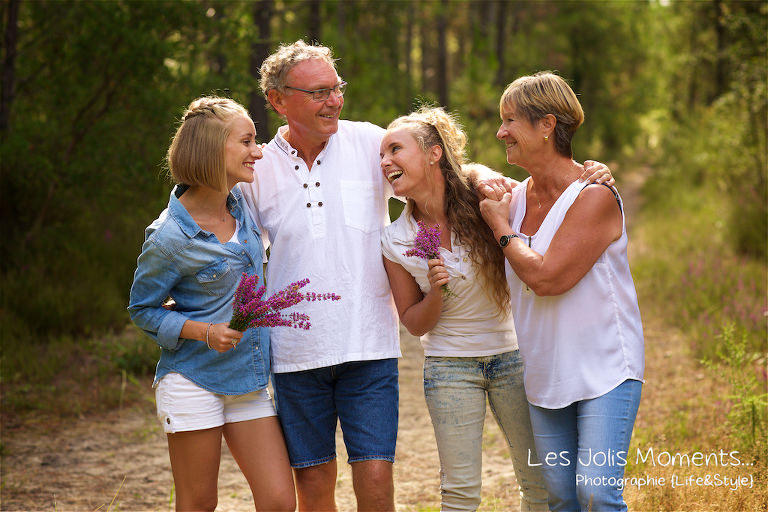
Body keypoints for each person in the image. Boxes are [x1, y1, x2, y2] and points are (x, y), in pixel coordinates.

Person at [240, 40, 401, 512]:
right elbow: (223, 240)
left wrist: (493, 180)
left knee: (375, 485)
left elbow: (439, 172)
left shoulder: (371, 142)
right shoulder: (257, 168)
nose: (333, 101)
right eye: (318, 93)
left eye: (337, 89)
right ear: (277, 100)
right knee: (313, 490)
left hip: (369, 345)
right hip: (293, 355)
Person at [479, 72, 645, 512]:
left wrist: (499, 228)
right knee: (561, 498)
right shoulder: (513, 198)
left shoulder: (594, 197)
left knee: (596, 493)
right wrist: (485, 188)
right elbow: (457, 174)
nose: (500, 132)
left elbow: (547, 278)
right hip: (546, 372)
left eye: (510, 120)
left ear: (547, 125)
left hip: (606, 369)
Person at [128, 96, 295, 512]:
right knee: (199, 502)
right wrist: (204, 331)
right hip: (192, 379)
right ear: (211, 150)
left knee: (277, 500)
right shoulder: (168, 238)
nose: (258, 151)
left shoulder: (245, 209)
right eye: (247, 141)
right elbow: (142, 309)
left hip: (249, 379)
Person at [379, 106, 550, 511]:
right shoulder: (395, 239)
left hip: (514, 356)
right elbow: (414, 324)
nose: (385, 162)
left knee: (540, 480)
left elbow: (551, 196)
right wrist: (436, 292)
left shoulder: (484, 197)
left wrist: (593, 173)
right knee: (459, 493)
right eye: (382, 155)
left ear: (434, 153)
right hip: (449, 367)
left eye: (395, 150)